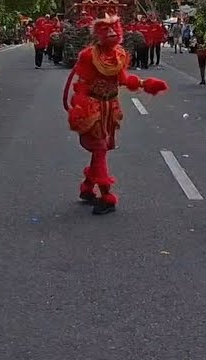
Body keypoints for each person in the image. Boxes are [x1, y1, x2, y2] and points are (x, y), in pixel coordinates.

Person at [64, 14, 168, 214]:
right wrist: (79, 106)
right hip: (93, 108)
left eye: (114, 28)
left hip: (110, 108)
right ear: (99, 34)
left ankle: (87, 188)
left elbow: (124, 80)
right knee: (100, 149)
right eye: (106, 29)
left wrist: (145, 84)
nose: (112, 32)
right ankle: (106, 196)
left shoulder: (119, 54)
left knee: (100, 149)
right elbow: (81, 85)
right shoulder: (88, 56)